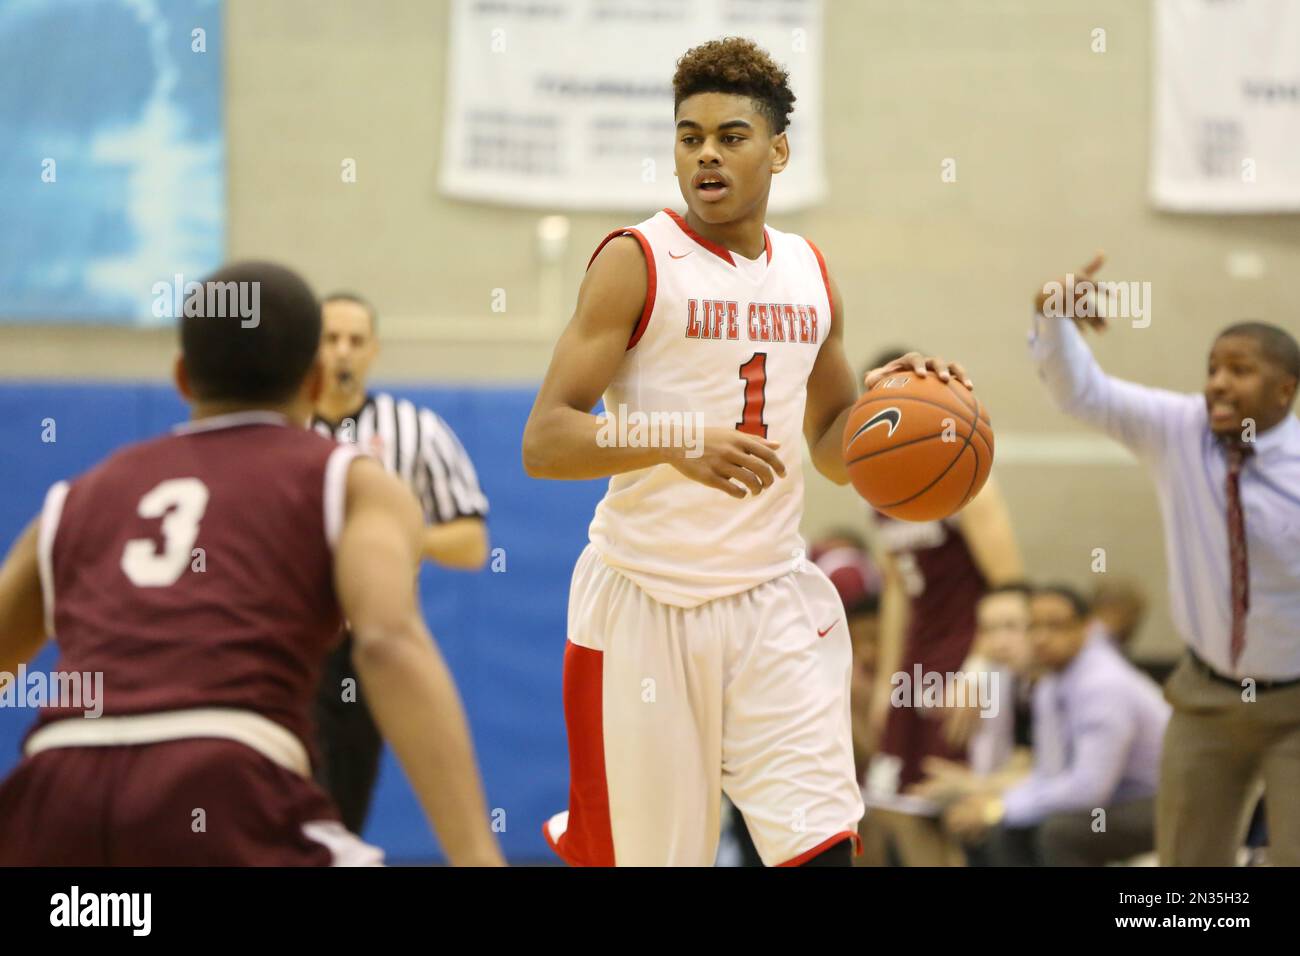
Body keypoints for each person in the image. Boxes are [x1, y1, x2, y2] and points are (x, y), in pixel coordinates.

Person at [522, 37, 972, 866]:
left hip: (771, 602)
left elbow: (837, 450)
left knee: (823, 849)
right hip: (645, 605)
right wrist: (673, 442)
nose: (706, 155)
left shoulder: (809, 271)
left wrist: (897, 407)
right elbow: (545, 441)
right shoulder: (637, 261)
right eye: (689, 137)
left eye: (731, 135)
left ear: (778, 150)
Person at [0, 262, 503, 866]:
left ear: (182, 378)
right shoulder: (349, 480)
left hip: (55, 790)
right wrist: (478, 856)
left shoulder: (76, 497)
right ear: (316, 380)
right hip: (224, 778)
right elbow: (388, 642)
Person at [1029, 254, 1300, 866]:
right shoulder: (1179, 429)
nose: (1218, 384)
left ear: (1285, 388)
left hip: (1295, 704)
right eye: (1212, 368)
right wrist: (1052, 319)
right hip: (1205, 694)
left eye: (1240, 370)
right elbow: (1084, 394)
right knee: (1185, 876)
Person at [311, 291, 490, 834]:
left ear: (374, 350)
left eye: (355, 340)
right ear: (309, 349)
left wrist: (401, 539)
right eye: (330, 338)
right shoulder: (279, 433)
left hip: (368, 643)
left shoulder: (417, 429)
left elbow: (473, 542)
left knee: (341, 806)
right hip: (287, 641)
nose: (342, 352)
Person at [861, 350, 1025, 867]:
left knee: (951, 805)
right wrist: (889, 679)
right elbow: (895, 592)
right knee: (895, 803)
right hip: (917, 658)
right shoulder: (879, 486)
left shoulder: (965, 476)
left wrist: (980, 669)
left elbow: (1010, 585)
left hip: (964, 658)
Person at [944, 586, 1169, 866]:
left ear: (1086, 628)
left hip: (1164, 802)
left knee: (1057, 831)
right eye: (1034, 626)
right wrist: (997, 807)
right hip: (1117, 799)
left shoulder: (1104, 684)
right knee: (1001, 828)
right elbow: (1049, 774)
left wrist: (998, 808)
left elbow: (1090, 789)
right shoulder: (1051, 682)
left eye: (1055, 626)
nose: (1041, 637)